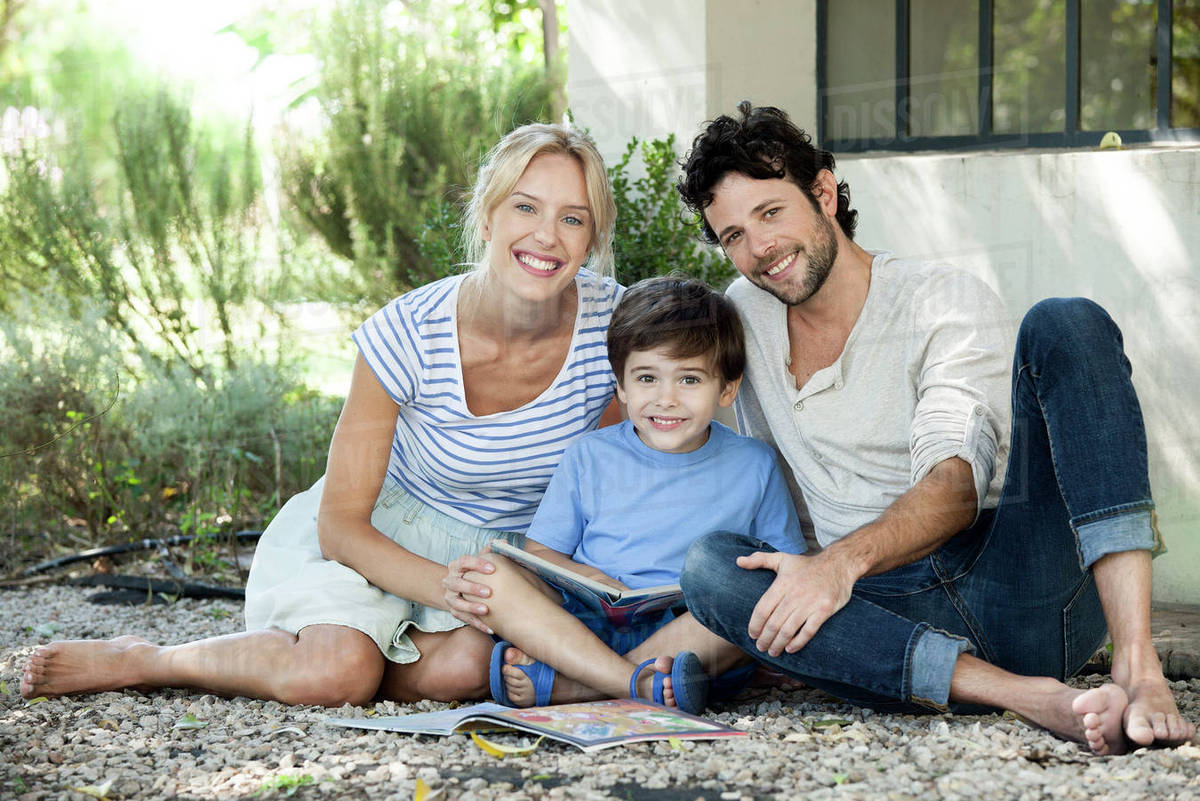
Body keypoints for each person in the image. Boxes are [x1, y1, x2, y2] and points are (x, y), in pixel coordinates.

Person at [20, 122, 630, 706]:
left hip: (500, 565)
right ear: (488, 214)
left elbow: (606, 484)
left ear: (591, 237)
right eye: (526, 207)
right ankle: (150, 659)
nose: (546, 235)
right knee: (333, 672)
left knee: (467, 669)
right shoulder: (407, 333)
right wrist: (445, 584)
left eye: (571, 218)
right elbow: (341, 525)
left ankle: (360, 655)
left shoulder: (616, 328)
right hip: (377, 540)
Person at [674, 101, 1196, 755]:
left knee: (1068, 322)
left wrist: (836, 565)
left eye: (771, 213)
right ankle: (1032, 697)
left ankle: (1139, 667)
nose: (759, 249)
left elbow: (954, 486)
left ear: (824, 193)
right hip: (879, 623)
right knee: (710, 567)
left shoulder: (939, 297)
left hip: (1018, 586)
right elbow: (656, 405)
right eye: (733, 235)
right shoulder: (737, 318)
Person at [443, 276, 804, 712]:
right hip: (589, 623)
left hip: (691, 636)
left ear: (726, 387)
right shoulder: (589, 455)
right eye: (647, 378)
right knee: (490, 574)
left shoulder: (754, 463)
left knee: (751, 600)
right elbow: (542, 554)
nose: (665, 399)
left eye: (689, 380)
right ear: (621, 386)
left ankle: (577, 687)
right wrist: (591, 579)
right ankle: (634, 683)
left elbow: (784, 567)